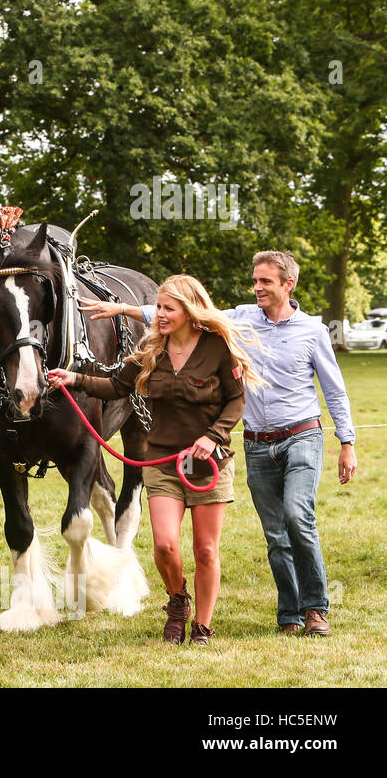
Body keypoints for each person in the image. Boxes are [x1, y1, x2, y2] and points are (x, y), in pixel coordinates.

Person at [81, 251, 357, 636]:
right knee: (276, 532)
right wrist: (120, 307)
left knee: (297, 517)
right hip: (257, 442)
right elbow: (175, 313)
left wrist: (347, 440)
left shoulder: (311, 331)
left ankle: (315, 609)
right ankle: (289, 614)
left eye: (265, 282)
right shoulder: (240, 317)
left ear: (287, 285)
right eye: (255, 280)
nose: (257, 287)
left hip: (301, 434)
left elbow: (334, 389)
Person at [52, 274, 263, 645]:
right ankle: (177, 600)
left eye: (168, 308)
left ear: (189, 310)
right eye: (159, 308)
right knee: (164, 545)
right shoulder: (152, 350)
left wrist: (212, 438)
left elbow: (236, 400)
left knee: (206, 549)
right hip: (164, 460)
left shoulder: (217, 348)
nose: (159, 314)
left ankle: (202, 625)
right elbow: (117, 386)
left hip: (207, 463)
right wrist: (75, 379)